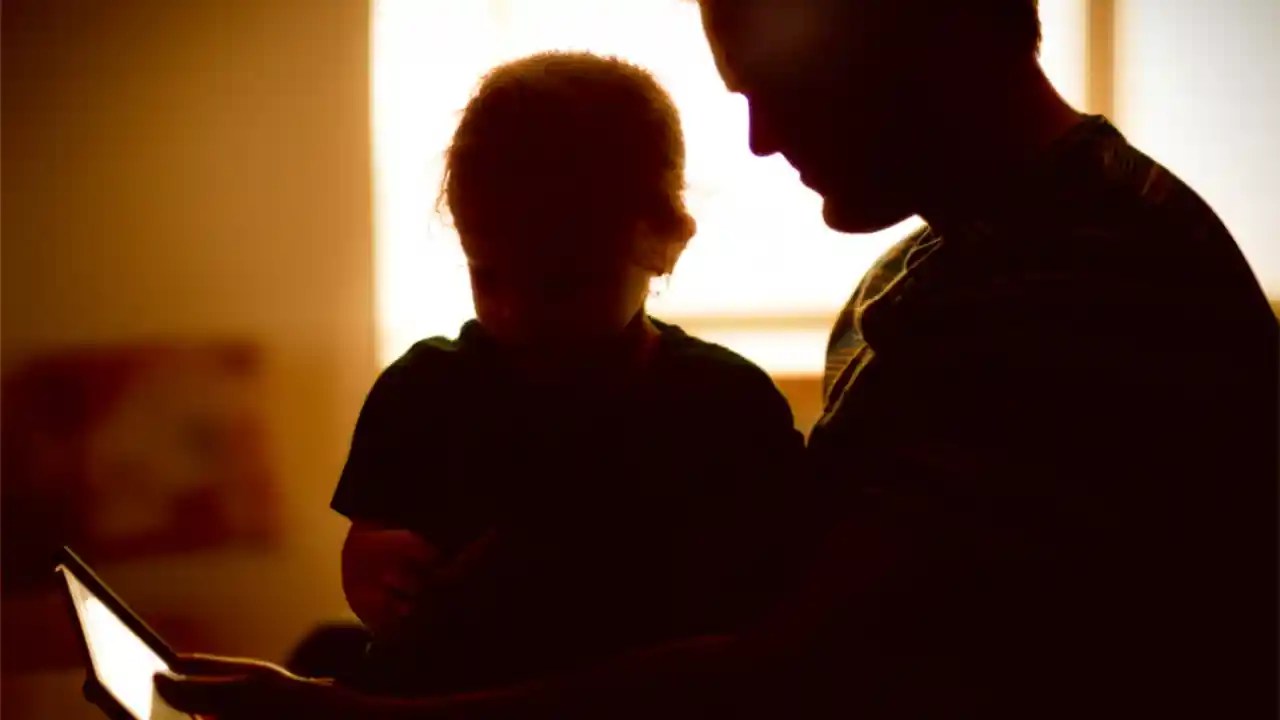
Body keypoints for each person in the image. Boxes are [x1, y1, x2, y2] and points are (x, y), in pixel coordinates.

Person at [151, 1, 1279, 718]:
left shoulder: (1079, 287)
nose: (759, 139)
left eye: (767, 87)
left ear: (907, 34)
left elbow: (802, 674)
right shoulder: (951, 262)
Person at [329, 50, 811, 697]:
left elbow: (761, 622)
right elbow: (370, 538)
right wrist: (371, 569)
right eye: (487, 275)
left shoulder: (724, 408)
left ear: (666, 241)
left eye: (561, 283)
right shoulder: (422, 391)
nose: (514, 313)